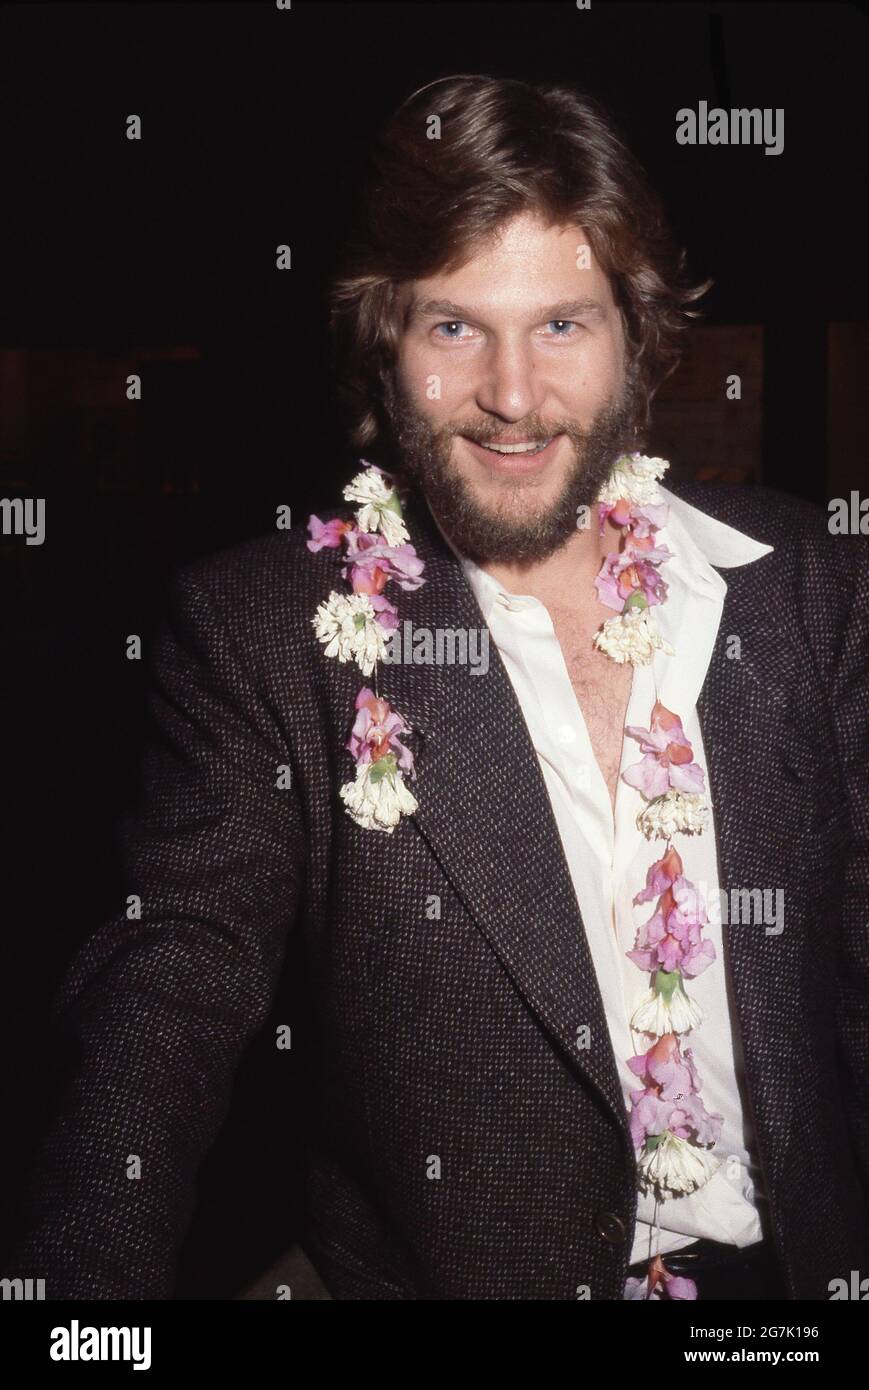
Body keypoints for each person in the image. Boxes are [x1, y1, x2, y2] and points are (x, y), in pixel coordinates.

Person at [4, 74, 868, 1301]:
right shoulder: (264, 633)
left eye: (561, 324)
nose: (511, 396)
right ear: (381, 338)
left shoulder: (813, 591)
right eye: (453, 328)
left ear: (636, 340)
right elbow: (167, 1000)